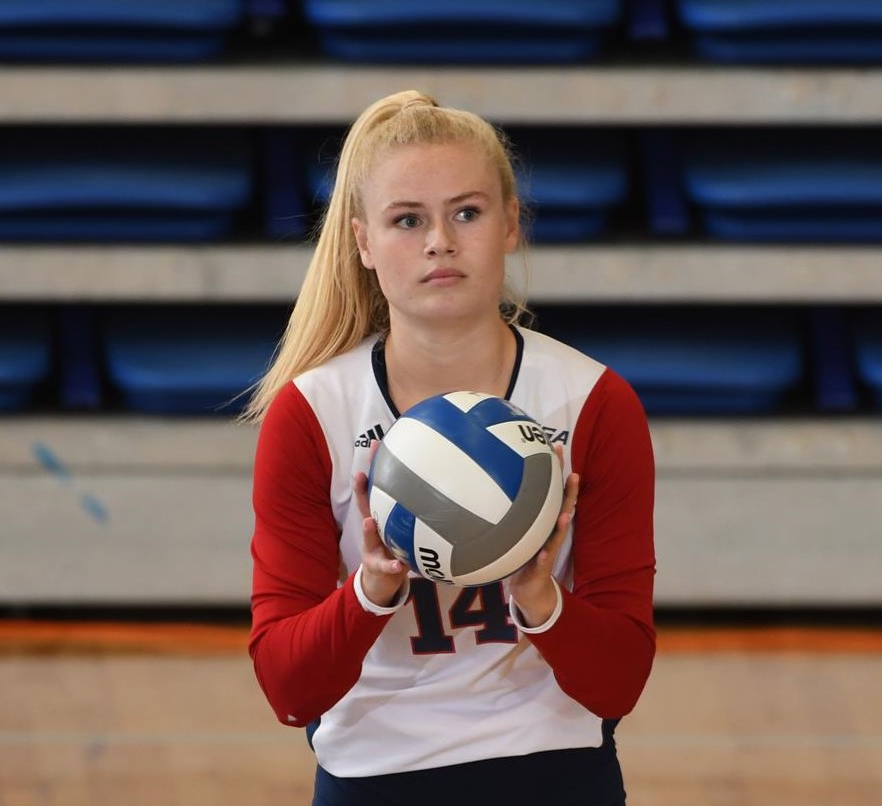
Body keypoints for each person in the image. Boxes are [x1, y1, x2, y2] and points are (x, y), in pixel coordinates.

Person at [243, 89, 656, 806]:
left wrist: (536, 590)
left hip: (552, 763)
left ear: (510, 225)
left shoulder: (591, 401)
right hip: (374, 772)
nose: (441, 240)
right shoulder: (312, 412)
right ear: (363, 242)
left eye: (466, 212)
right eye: (407, 220)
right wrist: (369, 590)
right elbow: (287, 688)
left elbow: (619, 681)